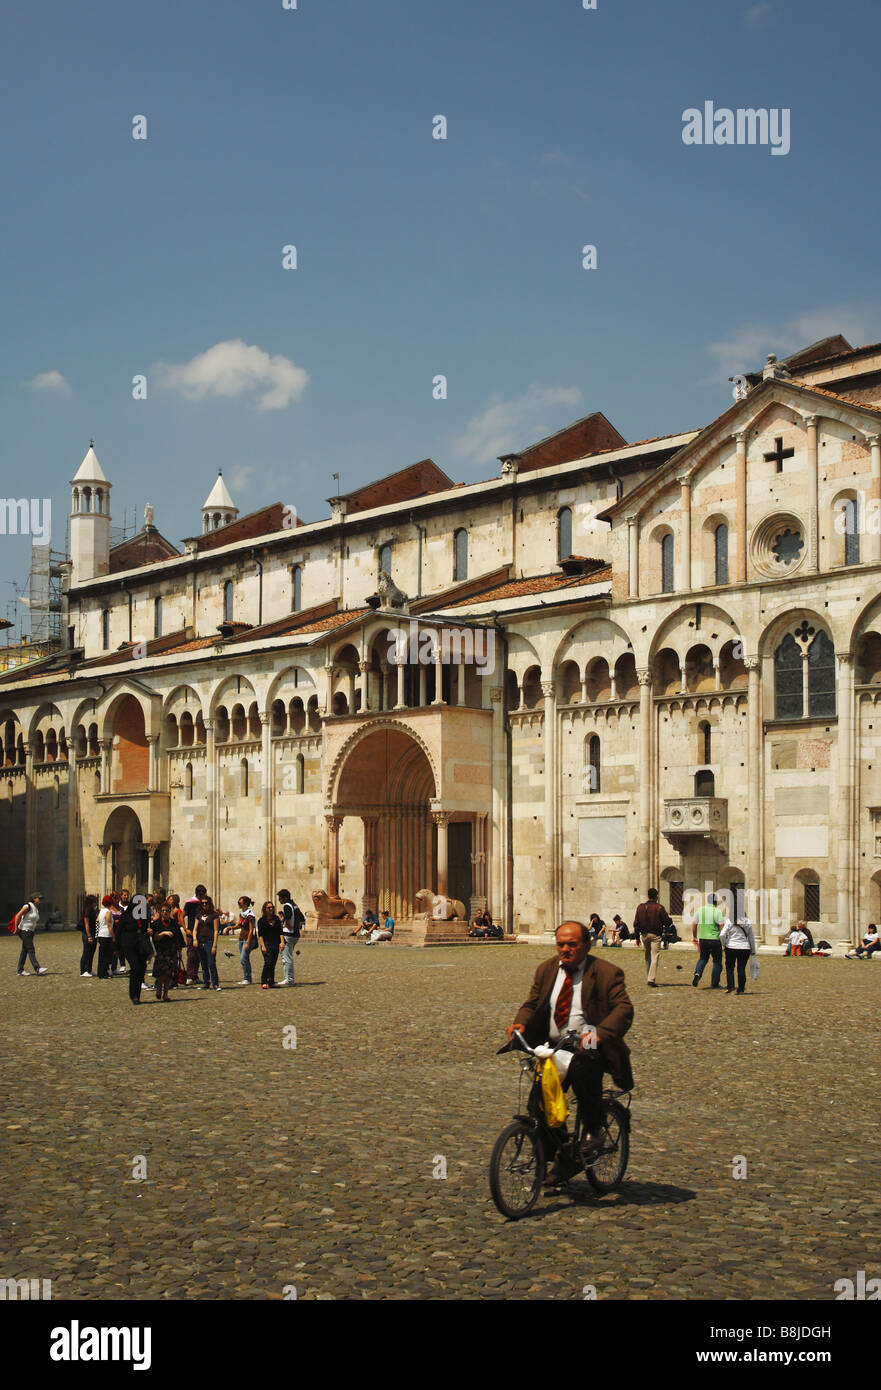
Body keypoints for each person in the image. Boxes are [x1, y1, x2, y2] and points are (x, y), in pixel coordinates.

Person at [505, 920, 634, 1186]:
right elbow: (532, 1002)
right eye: (561, 944)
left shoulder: (607, 972)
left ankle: (594, 1129)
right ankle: (561, 1154)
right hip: (554, 1046)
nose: (565, 949)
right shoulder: (547, 970)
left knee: (584, 1067)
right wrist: (521, 1022)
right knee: (540, 1103)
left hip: (590, 1045)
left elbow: (623, 1009)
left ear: (586, 944)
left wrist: (599, 1032)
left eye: (572, 944)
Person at [115, 891, 152, 1005]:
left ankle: (137, 995)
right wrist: (117, 948)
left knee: (141, 969)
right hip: (129, 945)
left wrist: (149, 931)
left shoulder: (144, 915)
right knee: (135, 967)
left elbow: (146, 928)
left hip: (141, 945)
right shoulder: (126, 916)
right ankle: (133, 995)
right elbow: (118, 932)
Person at [633, 888, 672, 987]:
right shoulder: (659, 907)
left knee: (647, 956)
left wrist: (637, 937)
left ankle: (649, 977)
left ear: (648, 896)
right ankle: (651, 979)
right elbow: (667, 922)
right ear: (657, 896)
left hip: (644, 934)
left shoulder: (640, 907)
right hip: (655, 935)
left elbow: (636, 923)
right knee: (655, 956)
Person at [692, 892, 724, 988]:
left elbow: (694, 924)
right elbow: (722, 926)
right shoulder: (717, 911)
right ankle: (714, 983)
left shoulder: (700, 910)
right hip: (715, 939)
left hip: (703, 939)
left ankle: (697, 973)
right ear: (716, 902)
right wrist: (724, 939)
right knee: (717, 962)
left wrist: (694, 936)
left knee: (703, 958)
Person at [720, 911, 757, 994]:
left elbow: (722, 935)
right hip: (744, 948)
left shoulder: (729, 921)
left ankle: (730, 986)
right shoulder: (747, 922)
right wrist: (753, 950)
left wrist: (724, 944)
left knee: (729, 968)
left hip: (731, 947)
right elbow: (751, 937)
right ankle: (741, 988)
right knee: (741, 968)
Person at [152, 907, 185, 1002]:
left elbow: (179, 938)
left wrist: (180, 952)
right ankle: (159, 988)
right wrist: (164, 933)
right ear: (160, 912)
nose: (165, 912)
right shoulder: (156, 924)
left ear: (169, 912)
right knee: (161, 973)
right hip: (161, 951)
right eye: (163, 910)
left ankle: (165, 994)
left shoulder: (174, 923)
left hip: (172, 951)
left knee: (169, 974)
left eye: (167, 910)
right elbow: (154, 937)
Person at [13, 893, 48, 976]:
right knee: (31, 949)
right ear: (34, 898)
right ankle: (37, 968)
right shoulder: (27, 906)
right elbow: (18, 915)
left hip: (30, 931)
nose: (40, 900)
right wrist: (16, 928)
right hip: (24, 930)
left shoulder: (35, 908)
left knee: (25, 950)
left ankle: (20, 970)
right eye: (39, 898)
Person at [277, 888, 304, 986]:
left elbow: (287, 916)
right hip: (295, 935)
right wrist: (296, 927)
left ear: (284, 898)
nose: (279, 900)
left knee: (286, 958)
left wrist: (287, 925)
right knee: (288, 956)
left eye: (280, 898)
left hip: (288, 934)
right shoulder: (295, 905)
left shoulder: (287, 905)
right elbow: (302, 918)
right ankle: (289, 978)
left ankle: (289, 979)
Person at [196, 894, 222, 990]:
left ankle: (215, 983)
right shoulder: (199, 915)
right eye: (202, 903)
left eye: (206, 903)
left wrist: (214, 945)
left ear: (209, 904)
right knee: (203, 964)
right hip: (200, 941)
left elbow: (216, 930)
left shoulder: (214, 915)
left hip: (209, 942)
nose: (204, 905)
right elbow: (195, 928)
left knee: (211, 963)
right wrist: (195, 939)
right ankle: (206, 982)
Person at [183, 885, 206, 985]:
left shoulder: (203, 903)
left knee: (198, 954)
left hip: (201, 932)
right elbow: (181, 916)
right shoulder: (190, 903)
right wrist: (186, 929)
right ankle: (189, 976)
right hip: (192, 931)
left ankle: (195, 975)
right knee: (191, 954)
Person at [257, 901, 283, 987]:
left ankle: (271, 982)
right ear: (265, 909)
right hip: (266, 944)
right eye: (269, 907)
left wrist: (282, 942)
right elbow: (260, 935)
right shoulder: (261, 921)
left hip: (275, 943)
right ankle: (263, 981)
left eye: (272, 907)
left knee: (273, 963)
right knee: (268, 962)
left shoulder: (276, 918)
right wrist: (263, 946)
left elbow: (280, 932)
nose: (271, 909)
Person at [237, 896, 257, 984]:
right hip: (241, 938)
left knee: (243, 958)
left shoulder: (250, 915)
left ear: (245, 904)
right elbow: (239, 925)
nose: (238, 904)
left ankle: (247, 978)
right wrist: (230, 928)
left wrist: (248, 942)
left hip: (247, 939)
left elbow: (251, 929)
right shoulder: (242, 913)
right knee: (245, 959)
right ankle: (247, 978)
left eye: (239, 903)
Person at [95, 895, 115, 978]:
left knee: (102, 955)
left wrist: (97, 934)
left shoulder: (101, 911)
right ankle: (104, 972)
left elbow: (97, 922)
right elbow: (109, 924)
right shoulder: (108, 912)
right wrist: (113, 936)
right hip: (106, 935)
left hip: (101, 934)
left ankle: (100, 972)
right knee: (107, 955)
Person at [79, 894, 98, 976]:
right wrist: (89, 936)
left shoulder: (93, 910)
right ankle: (83, 970)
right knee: (86, 952)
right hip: (88, 934)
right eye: (95, 902)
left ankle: (89, 969)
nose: (96, 903)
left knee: (91, 952)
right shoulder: (87, 911)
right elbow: (87, 924)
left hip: (93, 933)